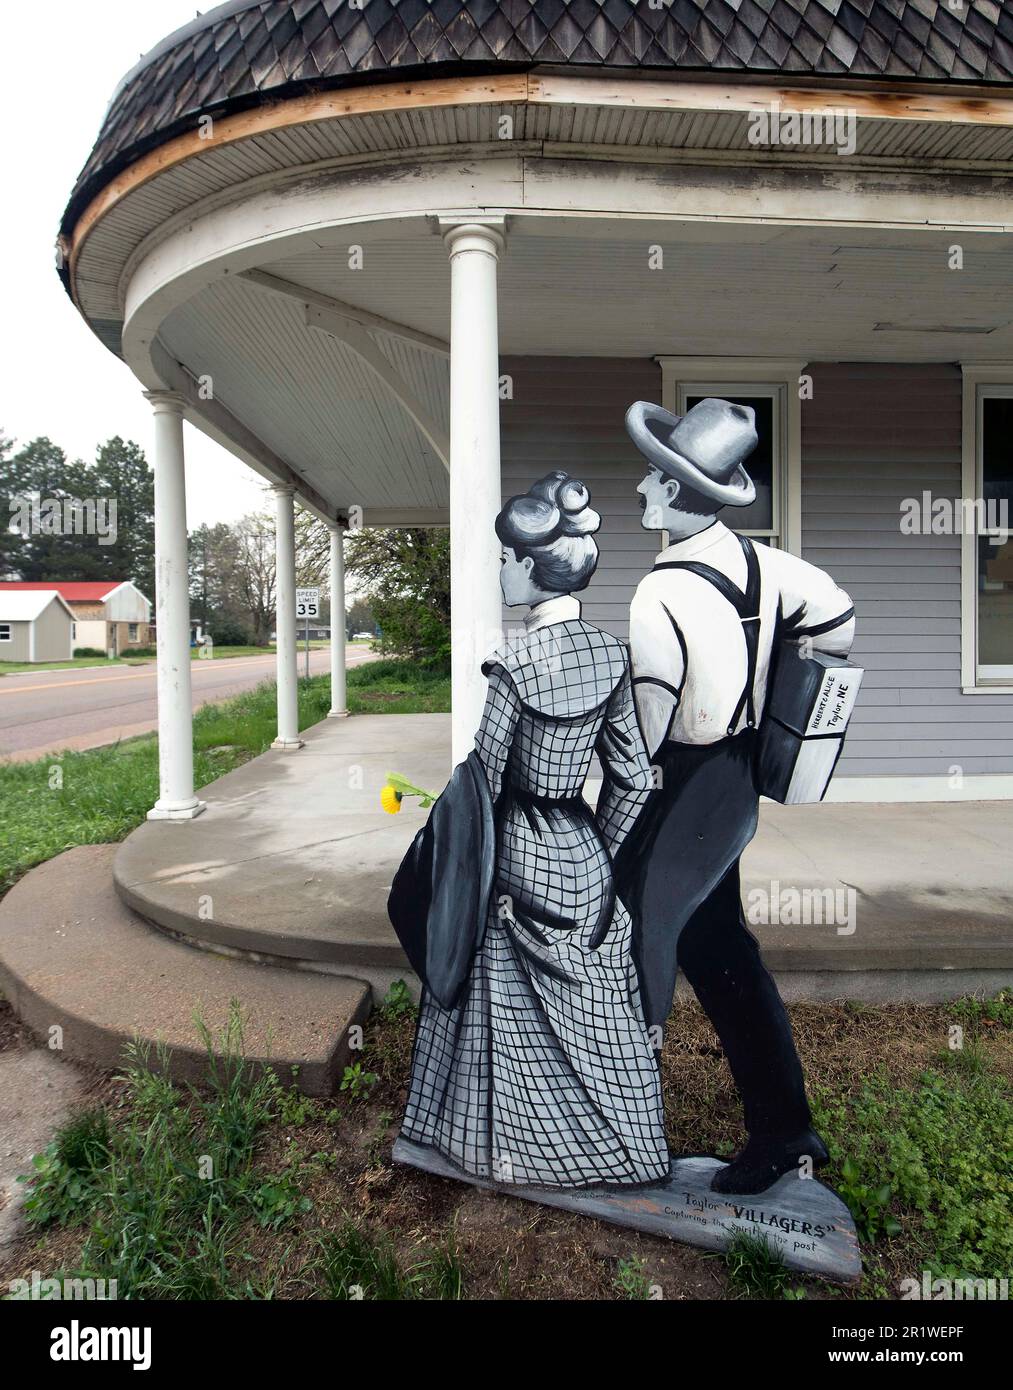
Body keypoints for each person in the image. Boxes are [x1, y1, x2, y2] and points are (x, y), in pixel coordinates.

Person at [401, 471, 670, 1189]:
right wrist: (600, 857)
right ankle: (627, 1151)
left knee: (498, 1001)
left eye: (502, 560)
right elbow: (636, 777)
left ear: (528, 566)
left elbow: (482, 783)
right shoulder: (610, 655)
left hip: (515, 838)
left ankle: (510, 1150)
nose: (496, 571)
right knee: (599, 1013)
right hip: (580, 848)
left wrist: (447, 854)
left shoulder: (515, 664)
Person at [620, 397, 856, 1196]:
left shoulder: (657, 593)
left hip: (683, 779)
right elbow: (838, 619)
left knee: (646, 932)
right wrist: (775, 674)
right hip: (738, 775)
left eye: (654, 480)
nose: (643, 491)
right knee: (713, 941)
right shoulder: (769, 566)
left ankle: (630, 1122)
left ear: (683, 493)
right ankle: (784, 1127)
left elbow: (650, 719)